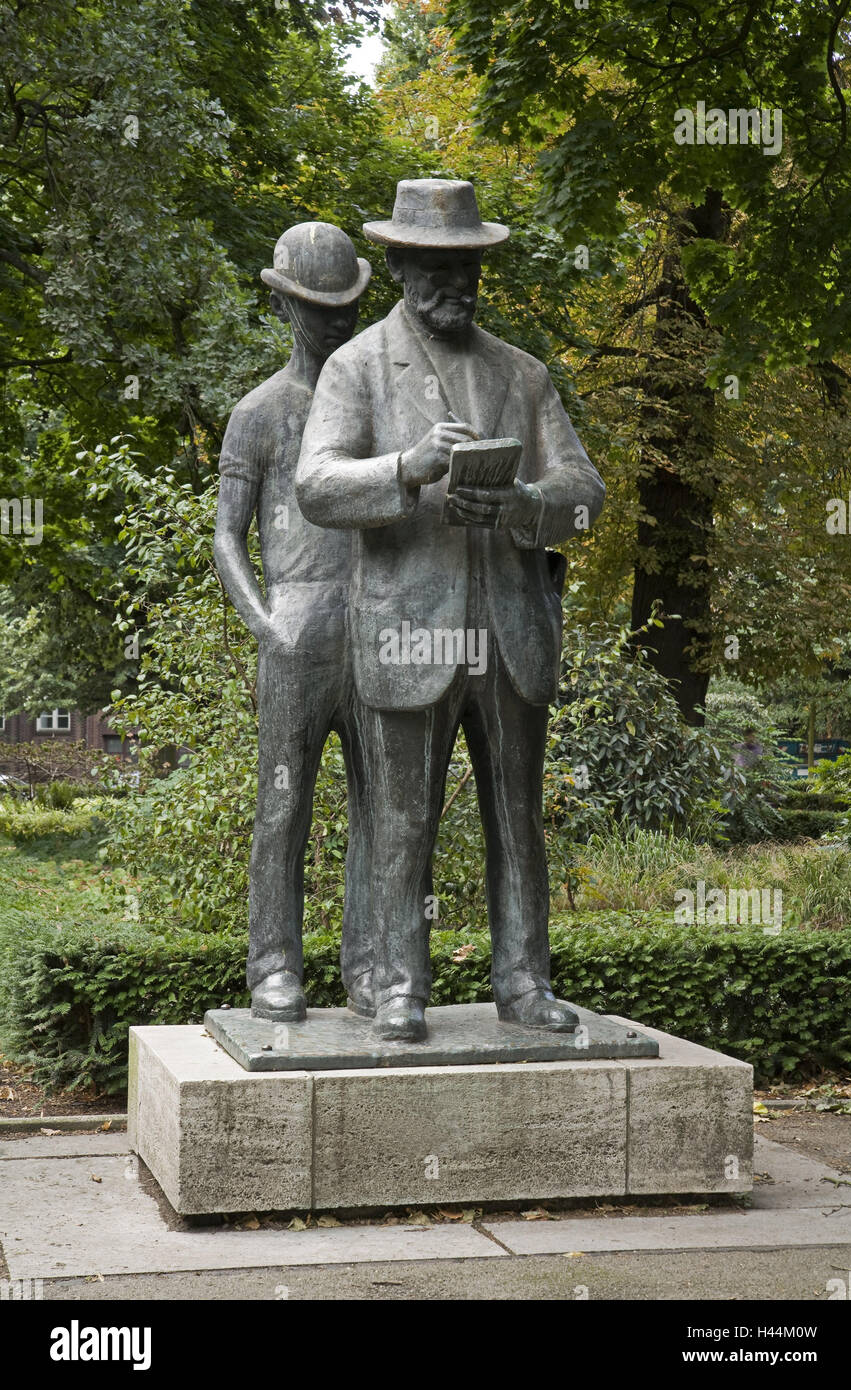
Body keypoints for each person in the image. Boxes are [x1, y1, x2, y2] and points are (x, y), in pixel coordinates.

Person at [296, 180, 605, 1041]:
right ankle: (397, 986)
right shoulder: (356, 367)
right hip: (407, 629)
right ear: (397, 265)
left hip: (508, 631)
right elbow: (315, 485)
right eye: (433, 267)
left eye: (464, 266)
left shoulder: (522, 374)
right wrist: (405, 466)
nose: (452, 283)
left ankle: (524, 982)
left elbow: (586, 496)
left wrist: (523, 505)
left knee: (517, 815)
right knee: (399, 820)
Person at [214, 222, 373, 1022]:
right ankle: (273, 967)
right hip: (296, 630)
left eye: (346, 303)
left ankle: (373, 968)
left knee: (385, 809)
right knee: (282, 806)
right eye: (318, 305)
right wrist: (266, 625)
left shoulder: (378, 404)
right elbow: (225, 535)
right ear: (285, 306)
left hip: (378, 631)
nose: (336, 318)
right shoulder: (260, 411)